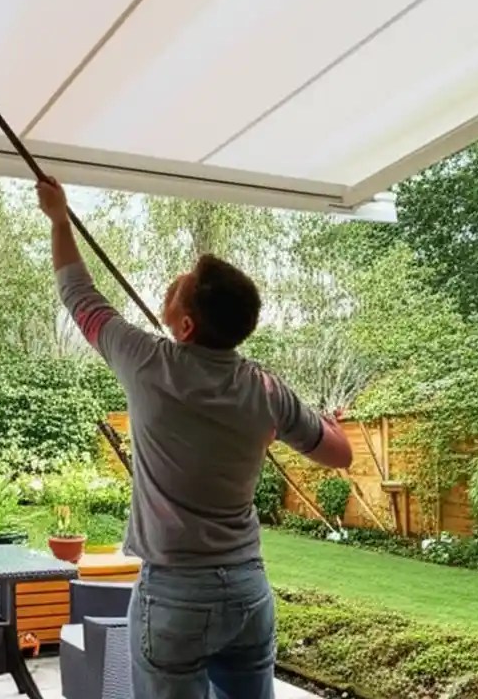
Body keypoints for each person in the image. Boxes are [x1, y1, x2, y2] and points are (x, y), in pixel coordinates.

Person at [36, 177, 353, 699]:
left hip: (175, 597)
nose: (173, 281)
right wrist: (330, 422)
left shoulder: (146, 361)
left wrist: (59, 219)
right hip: (248, 593)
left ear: (184, 325)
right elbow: (338, 454)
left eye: (179, 283)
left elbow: (79, 295)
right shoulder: (266, 389)